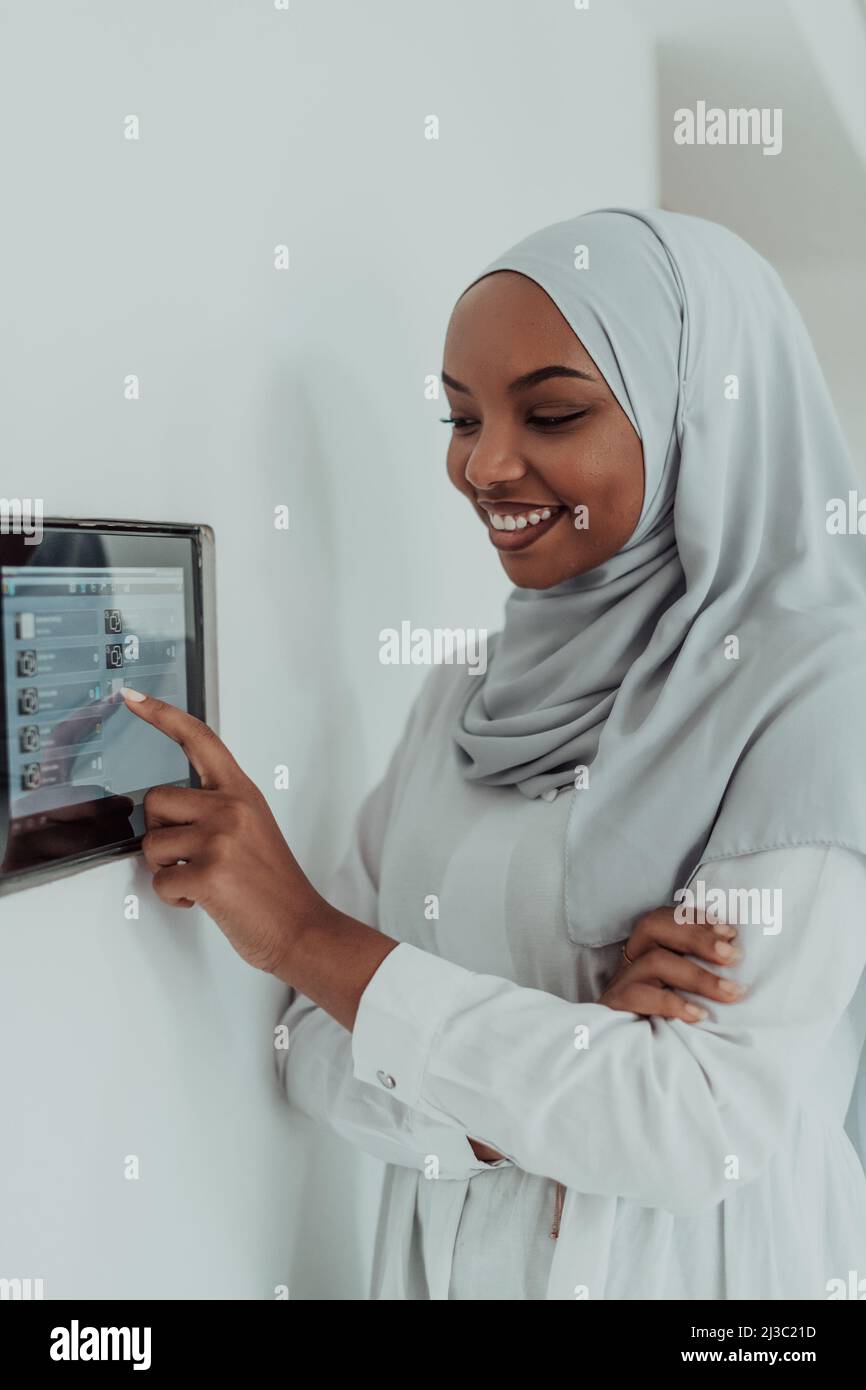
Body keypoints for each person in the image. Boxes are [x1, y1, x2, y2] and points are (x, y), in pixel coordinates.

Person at [123, 208, 866, 1300]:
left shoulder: (814, 694)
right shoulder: (464, 693)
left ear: (693, 417)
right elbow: (311, 1056)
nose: (485, 464)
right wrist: (563, 1059)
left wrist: (305, 932)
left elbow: (697, 1126)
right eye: (458, 416)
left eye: (552, 411)